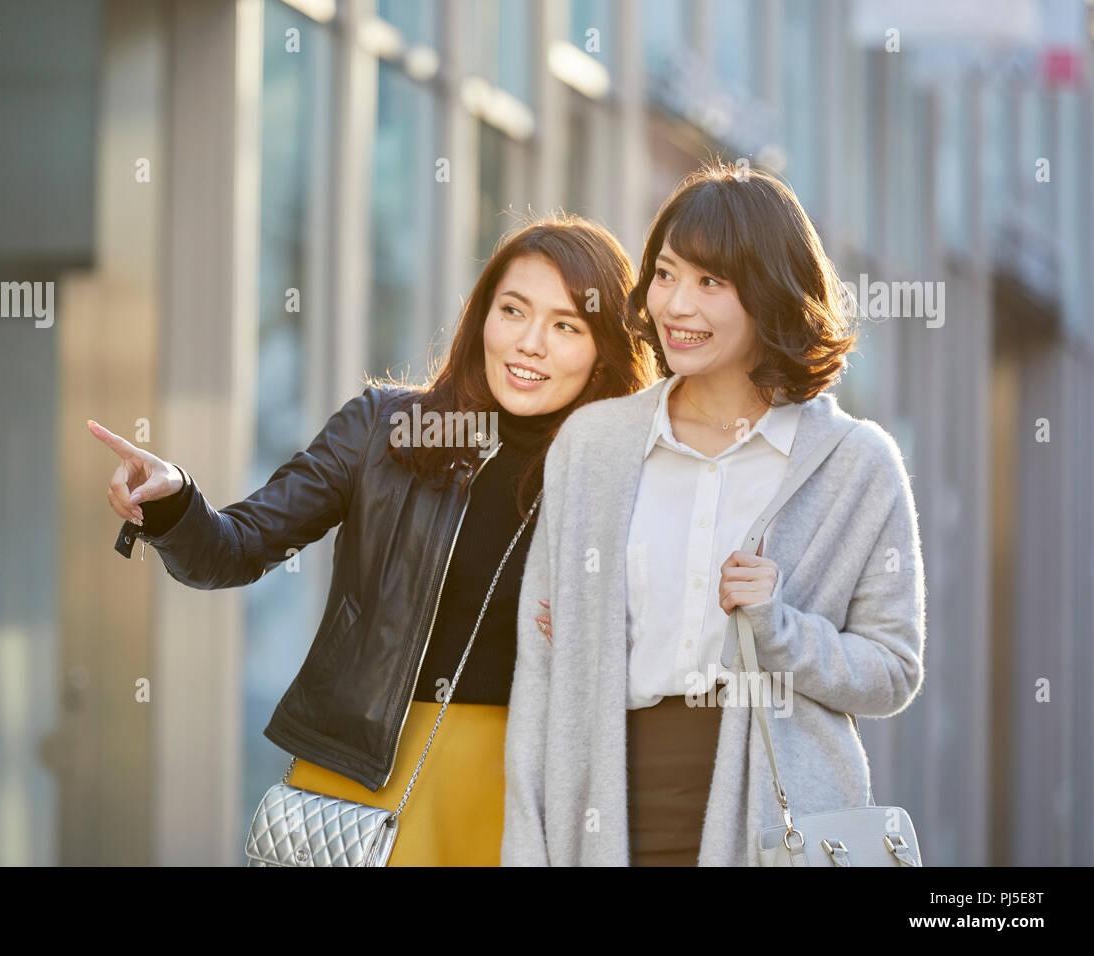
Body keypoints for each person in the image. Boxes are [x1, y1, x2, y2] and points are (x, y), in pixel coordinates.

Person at [89, 213, 658, 865]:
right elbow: (237, 547)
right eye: (513, 311)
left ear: (605, 347)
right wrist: (173, 503)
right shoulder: (385, 429)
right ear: (483, 318)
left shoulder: (627, 475)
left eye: (566, 326)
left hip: (525, 792)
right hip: (363, 780)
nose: (531, 344)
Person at [504, 162, 927, 866]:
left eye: (711, 282)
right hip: (604, 821)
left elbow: (892, 670)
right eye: (666, 274)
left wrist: (781, 630)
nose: (676, 305)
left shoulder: (856, 465)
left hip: (774, 824)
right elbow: (541, 676)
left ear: (769, 295)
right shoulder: (594, 446)